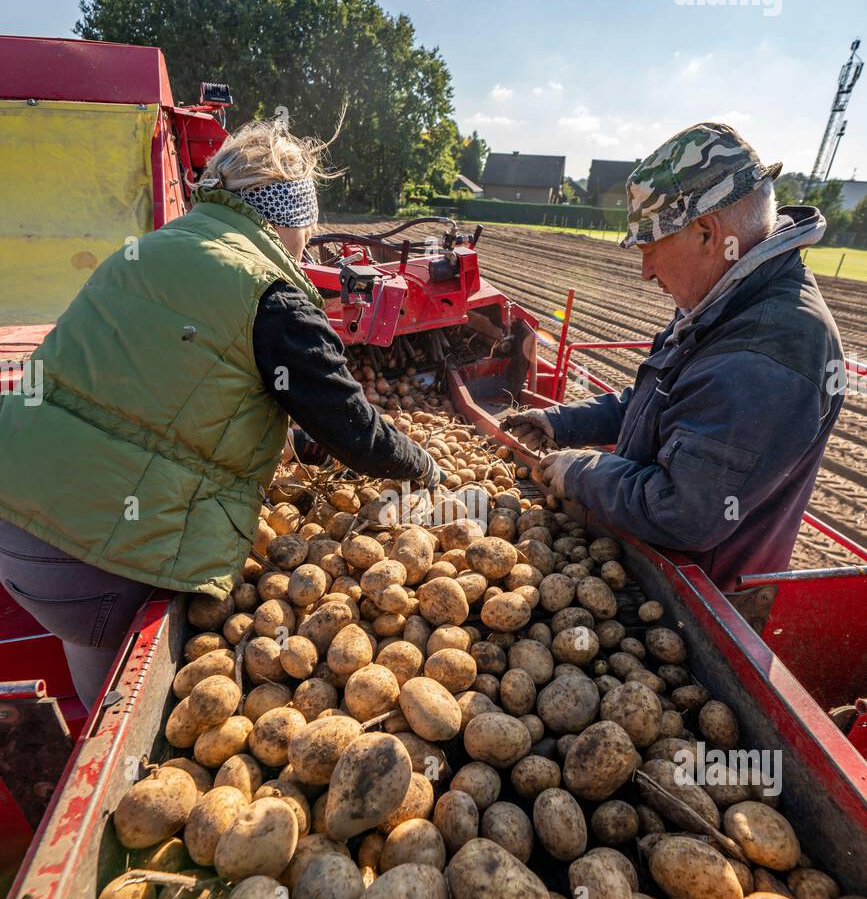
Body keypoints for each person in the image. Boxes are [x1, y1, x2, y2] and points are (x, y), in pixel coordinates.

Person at [0, 118, 437, 709]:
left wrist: (297, 439)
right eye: (308, 223)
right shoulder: (272, 295)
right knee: (119, 699)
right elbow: (355, 432)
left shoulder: (152, 247)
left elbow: (179, 386)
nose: (308, 240)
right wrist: (421, 465)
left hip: (16, 522)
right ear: (291, 214)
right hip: (95, 561)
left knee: (90, 675)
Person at [503, 123, 844, 592]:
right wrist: (563, 423)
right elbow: (657, 400)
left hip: (701, 604)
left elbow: (683, 511)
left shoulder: (766, 354)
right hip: (649, 566)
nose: (644, 272)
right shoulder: (723, 301)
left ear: (707, 233)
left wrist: (580, 470)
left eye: (650, 248)